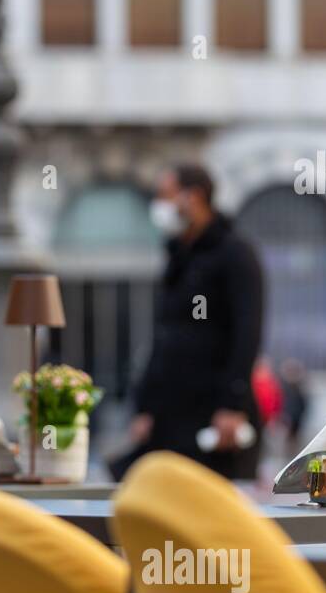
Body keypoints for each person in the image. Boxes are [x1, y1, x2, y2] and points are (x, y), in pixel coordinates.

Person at [112, 164, 265, 480]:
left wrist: (231, 405)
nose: (160, 207)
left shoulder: (235, 253)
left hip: (212, 414)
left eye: (165, 196)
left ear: (192, 197)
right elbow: (164, 336)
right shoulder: (178, 256)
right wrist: (144, 407)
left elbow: (248, 331)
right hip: (170, 413)